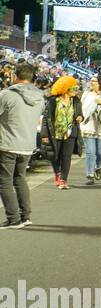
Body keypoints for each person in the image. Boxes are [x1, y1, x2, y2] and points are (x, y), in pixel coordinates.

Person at [0, 63, 42, 228]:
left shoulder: (7, 94)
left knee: (4, 181)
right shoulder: (39, 96)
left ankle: (13, 218)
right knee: (20, 178)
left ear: (15, 76)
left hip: (8, 143)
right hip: (28, 144)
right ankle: (25, 216)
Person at [45, 76, 82, 189]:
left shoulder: (76, 100)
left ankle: (63, 179)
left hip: (71, 133)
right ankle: (57, 173)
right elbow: (47, 119)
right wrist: (44, 135)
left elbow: (80, 113)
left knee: (67, 157)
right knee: (55, 156)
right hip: (55, 133)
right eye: (73, 88)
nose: (76, 91)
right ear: (65, 88)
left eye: (77, 88)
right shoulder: (53, 101)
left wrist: (80, 117)